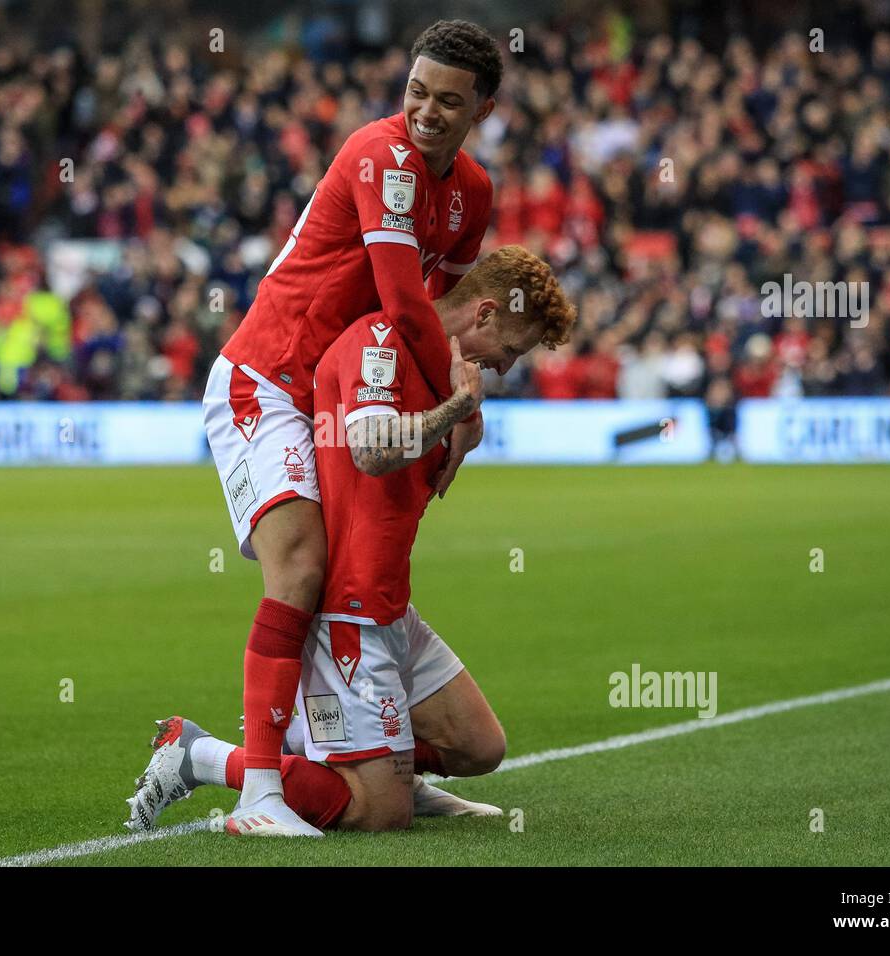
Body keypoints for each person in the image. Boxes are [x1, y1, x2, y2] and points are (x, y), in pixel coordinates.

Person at [130, 246, 576, 834]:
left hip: (389, 604)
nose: (506, 367)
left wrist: (462, 427)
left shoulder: (437, 366)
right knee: (379, 814)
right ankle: (204, 756)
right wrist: (457, 409)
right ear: (485, 314)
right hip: (349, 607)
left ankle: (373, 758)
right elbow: (370, 451)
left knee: (479, 748)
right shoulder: (379, 341)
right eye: (512, 350)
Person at [200, 20, 504, 834]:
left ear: (480, 109)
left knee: (346, 575)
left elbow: (434, 312)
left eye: (448, 101)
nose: (426, 113)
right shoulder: (381, 155)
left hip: (331, 388)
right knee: (301, 568)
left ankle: (380, 759)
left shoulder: (471, 192)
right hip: (266, 377)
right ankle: (257, 791)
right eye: (416, 91)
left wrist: (446, 412)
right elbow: (405, 307)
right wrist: (458, 415)